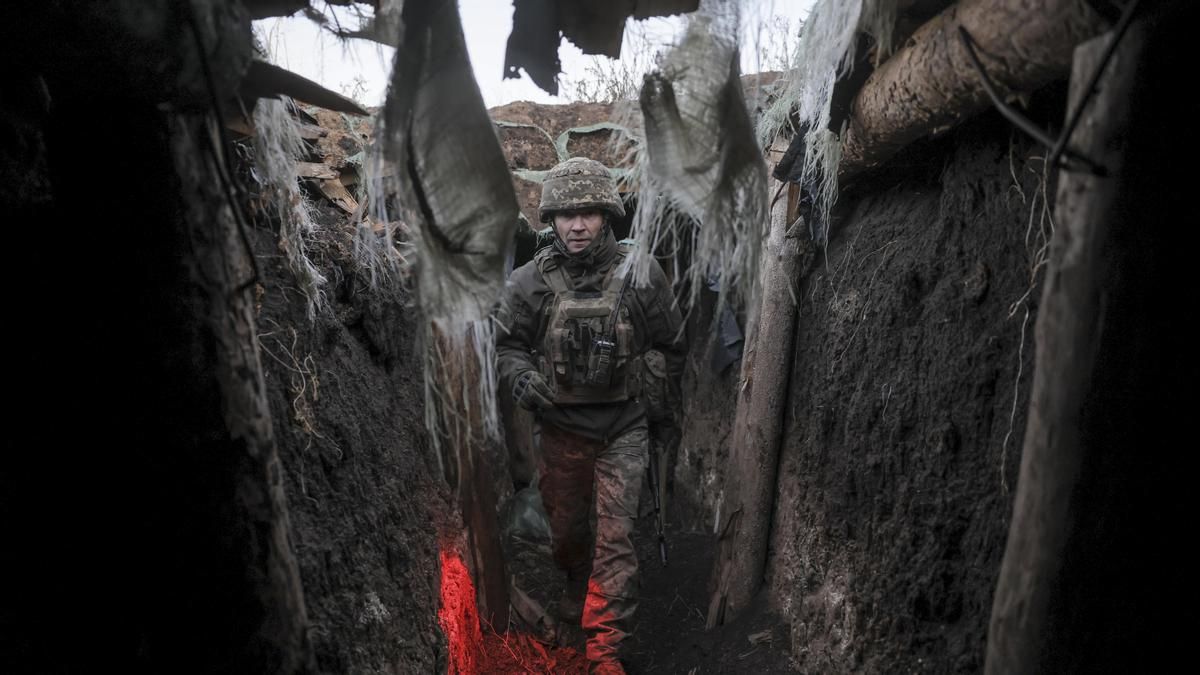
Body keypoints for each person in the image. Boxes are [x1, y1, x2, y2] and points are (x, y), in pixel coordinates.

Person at [495, 157, 685, 674]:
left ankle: (605, 651)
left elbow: (671, 346)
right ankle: (574, 588)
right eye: (566, 215)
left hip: (623, 428)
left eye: (589, 214)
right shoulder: (528, 283)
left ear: (607, 215)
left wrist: (658, 404)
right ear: (551, 219)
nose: (577, 225)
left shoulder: (640, 274)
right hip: (561, 430)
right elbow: (507, 346)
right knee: (568, 536)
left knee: (616, 540)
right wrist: (521, 379)